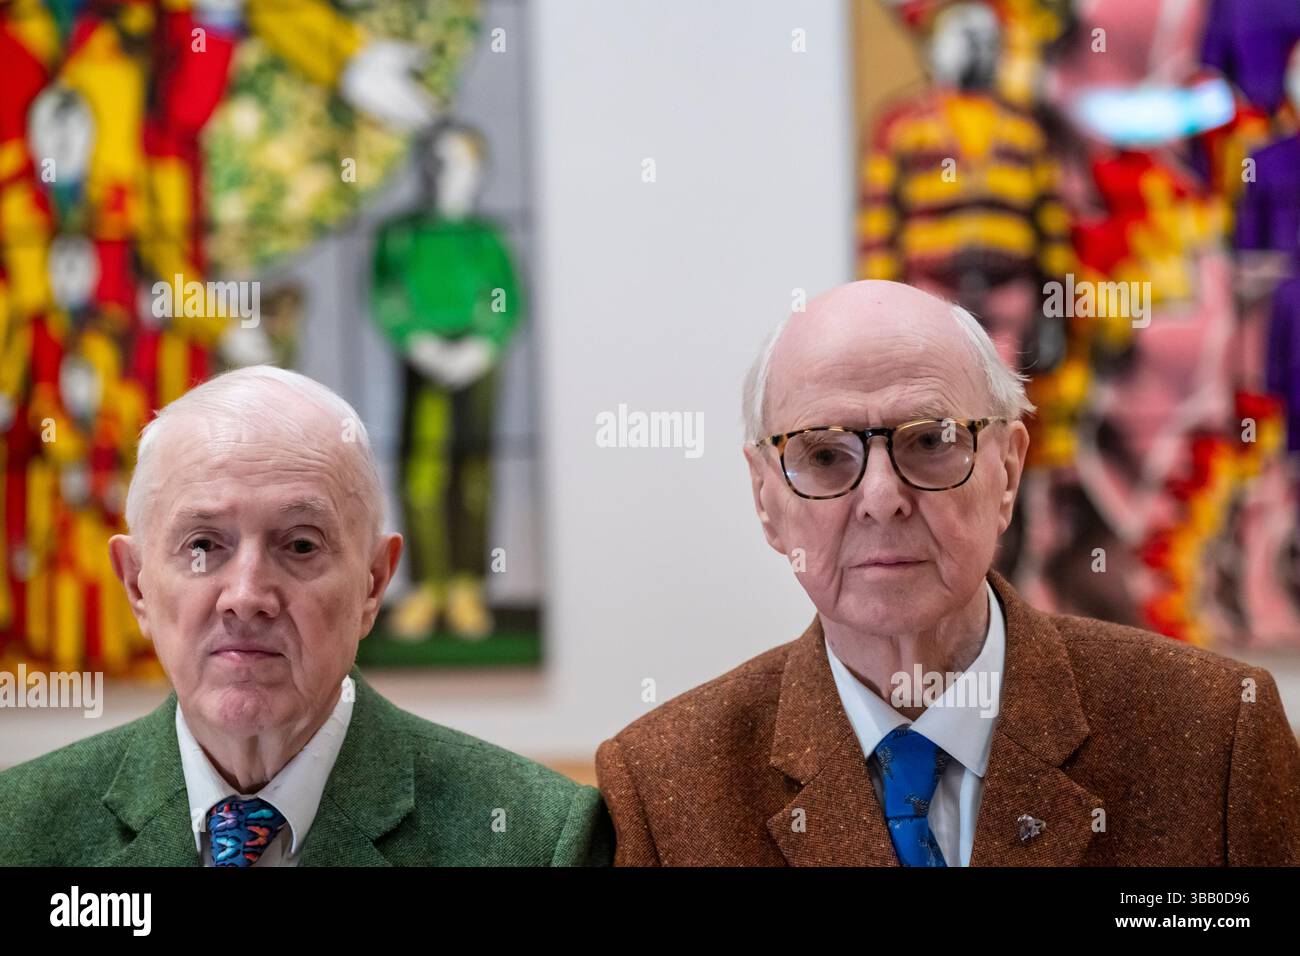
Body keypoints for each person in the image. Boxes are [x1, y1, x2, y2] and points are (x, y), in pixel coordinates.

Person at [596, 279, 1300, 866]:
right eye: (823, 454)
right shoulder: (666, 787)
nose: (881, 499)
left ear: (1008, 470)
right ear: (765, 498)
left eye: (931, 441)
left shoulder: (1214, 740)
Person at [0, 366, 610, 866]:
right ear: (136, 584)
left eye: (299, 545)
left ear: (373, 583)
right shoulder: (19, 831)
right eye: (203, 545)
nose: (245, 595)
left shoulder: (535, 840)